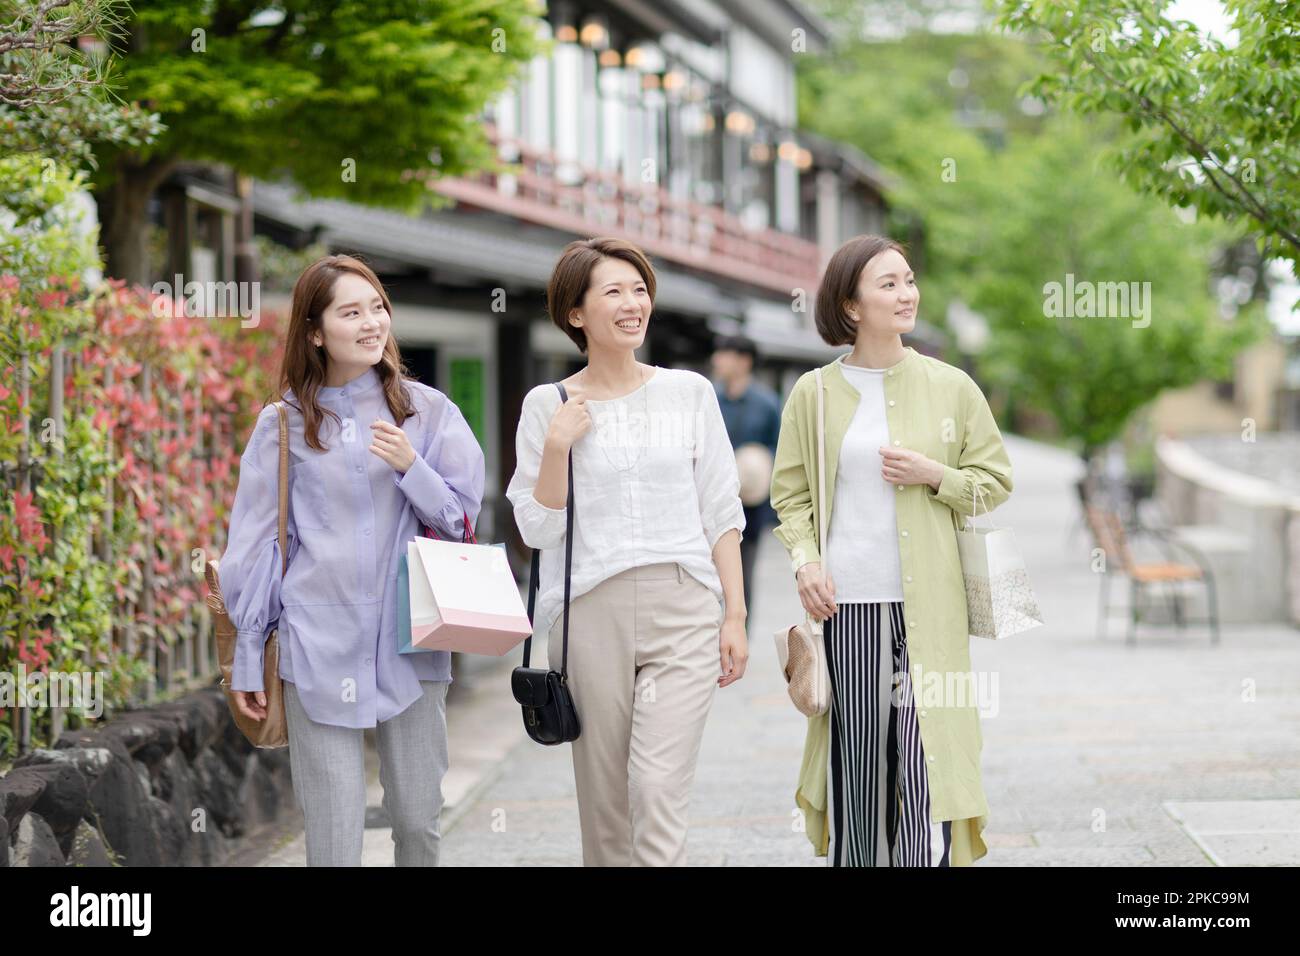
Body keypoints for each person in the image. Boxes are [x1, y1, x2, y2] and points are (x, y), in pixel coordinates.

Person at [219, 254, 485, 866]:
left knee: (418, 822)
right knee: (334, 838)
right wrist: (249, 658)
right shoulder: (281, 426)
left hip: (412, 639)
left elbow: (464, 523)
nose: (372, 323)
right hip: (316, 643)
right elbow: (256, 546)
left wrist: (412, 470)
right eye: (351, 311)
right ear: (315, 331)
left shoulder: (427, 411)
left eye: (378, 308)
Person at [770, 235, 1012, 867]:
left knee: (925, 767)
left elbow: (994, 484)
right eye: (888, 284)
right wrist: (805, 562)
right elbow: (790, 495)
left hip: (931, 606)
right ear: (851, 305)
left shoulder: (951, 386)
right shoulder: (814, 394)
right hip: (846, 607)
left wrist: (936, 474)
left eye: (909, 280)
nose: (907, 294)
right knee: (858, 768)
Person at [506, 237, 748, 866]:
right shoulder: (548, 405)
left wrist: (735, 615)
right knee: (605, 800)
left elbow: (721, 509)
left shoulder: (689, 393)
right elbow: (536, 530)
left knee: (658, 785)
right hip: (590, 611)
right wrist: (557, 448)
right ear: (577, 314)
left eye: (640, 289)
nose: (633, 303)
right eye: (614, 291)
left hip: (683, 602)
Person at [711, 334, 782, 618]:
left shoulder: (766, 403)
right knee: (707, 577)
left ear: (744, 361)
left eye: (724, 354)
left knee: (743, 576)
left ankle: (739, 636)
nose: (717, 360)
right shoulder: (711, 399)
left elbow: (780, 448)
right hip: (711, 501)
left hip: (750, 506)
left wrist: (757, 468)